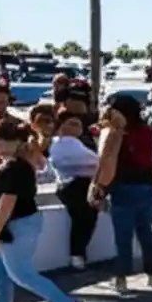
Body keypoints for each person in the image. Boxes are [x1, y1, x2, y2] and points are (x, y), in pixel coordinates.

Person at [0, 119, 83, 302]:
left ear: (13, 142)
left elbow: (7, 203)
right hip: (11, 225)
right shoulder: (15, 164)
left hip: (15, 225)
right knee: (0, 274)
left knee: (20, 273)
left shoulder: (13, 168)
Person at [90, 97, 152, 293]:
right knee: (146, 231)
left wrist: (98, 186)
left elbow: (106, 161)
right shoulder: (149, 132)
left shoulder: (115, 133)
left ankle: (121, 278)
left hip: (123, 185)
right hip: (147, 185)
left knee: (123, 235)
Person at [50, 109, 100, 269]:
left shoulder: (78, 143)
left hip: (83, 184)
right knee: (82, 219)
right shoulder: (60, 143)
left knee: (88, 219)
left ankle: (79, 252)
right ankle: (77, 253)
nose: (76, 127)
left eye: (78, 124)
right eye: (71, 123)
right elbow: (90, 160)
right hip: (72, 186)